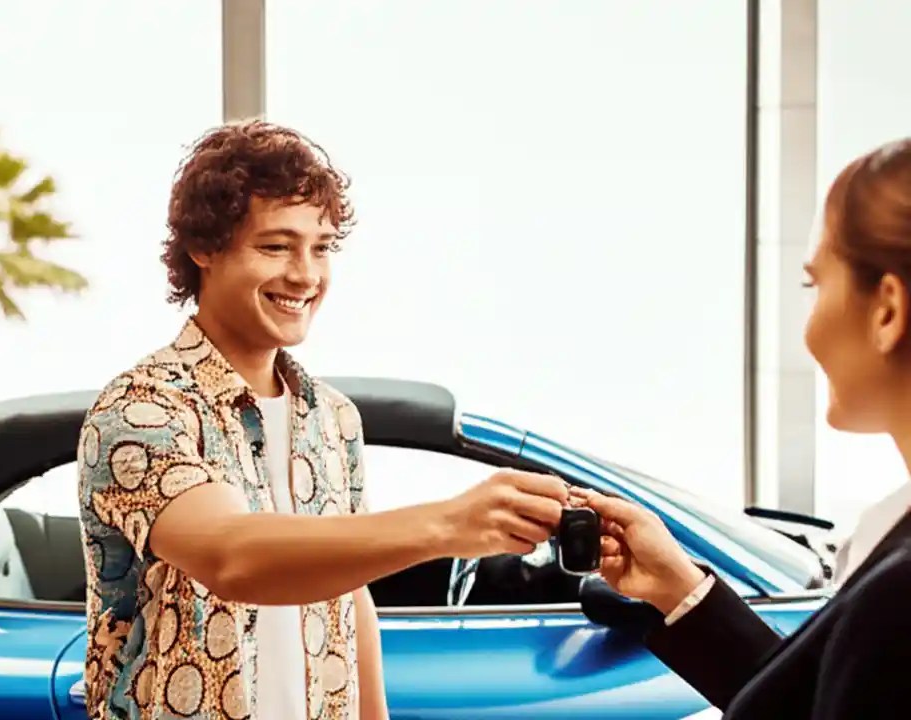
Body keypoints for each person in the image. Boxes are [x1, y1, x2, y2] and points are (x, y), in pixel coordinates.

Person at [76, 120, 570, 720]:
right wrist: (447, 524)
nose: (306, 275)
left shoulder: (334, 418)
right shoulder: (141, 407)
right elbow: (234, 557)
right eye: (276, 246)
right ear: (203, 248)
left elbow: (348, 589)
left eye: (322, 247)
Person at [581, 136, 911, 719]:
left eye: (816, 284)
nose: (807, 328)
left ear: (887, 310)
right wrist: (679, 589)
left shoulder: (898, 595)